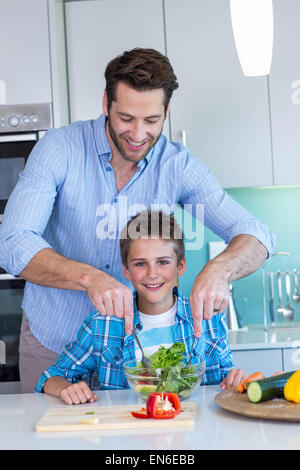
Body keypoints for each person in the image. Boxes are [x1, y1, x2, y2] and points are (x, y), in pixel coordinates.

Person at [0, 48, 275, 393]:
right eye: (126, 118)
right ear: (106, 104)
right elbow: (12, 242)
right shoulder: (60, 149)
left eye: (152, 121)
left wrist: (218, 270)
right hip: (52, 342)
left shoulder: (177, 164)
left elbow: (257, 234)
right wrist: (89, 278)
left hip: (131, 357)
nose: (139, 134)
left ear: (166, 112)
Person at [35, 210, 249, 404]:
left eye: (163, 262)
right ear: (126, 270)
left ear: (180, 266)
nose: (152, 273)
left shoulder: (208, 318)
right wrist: (65, 388)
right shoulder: (102, 324)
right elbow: (51, 377)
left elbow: (224, 381)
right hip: (125, 429)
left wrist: (235, 379)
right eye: (140, 264)